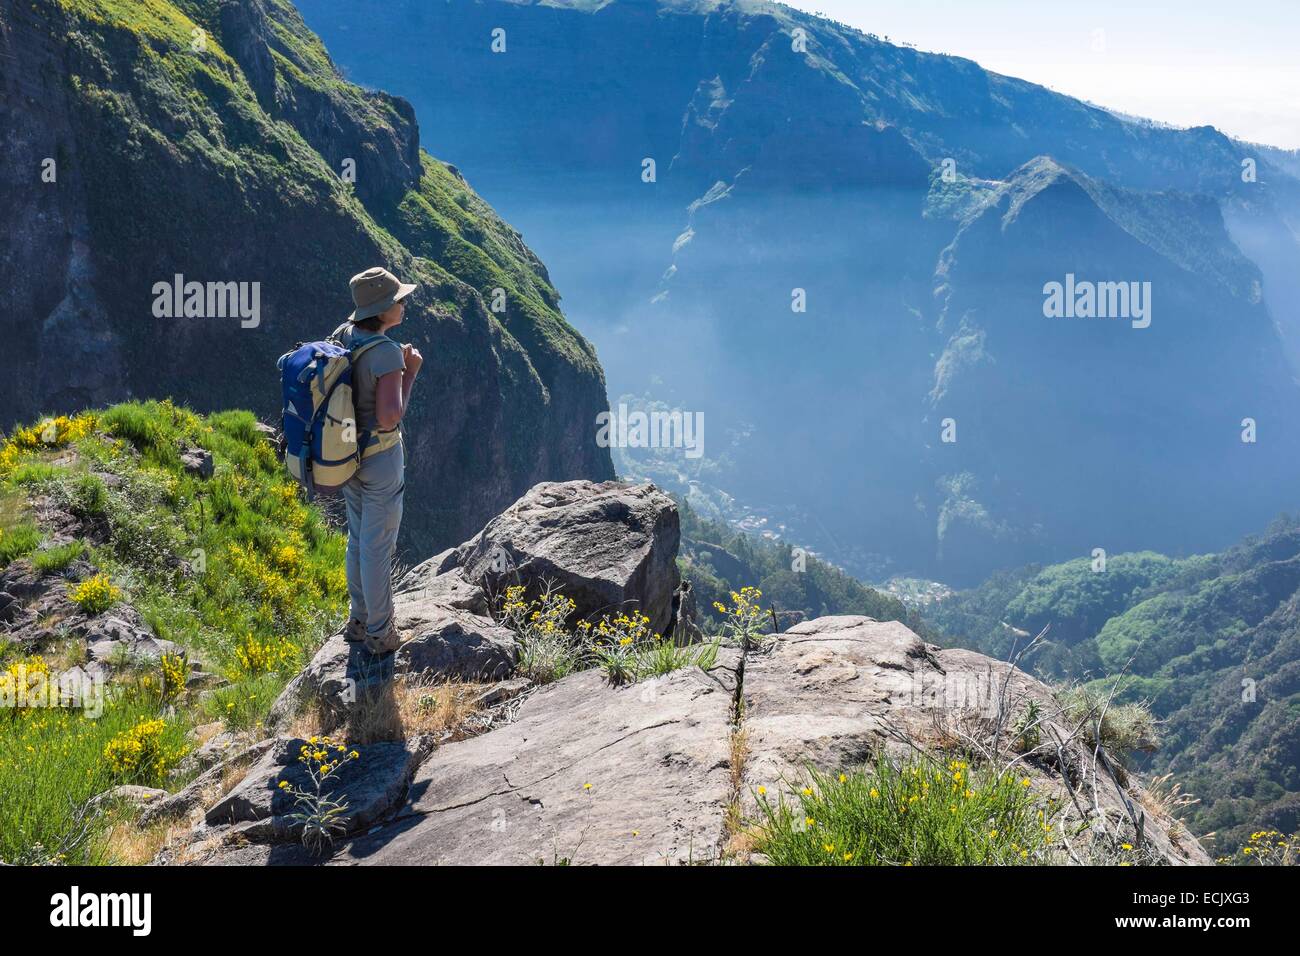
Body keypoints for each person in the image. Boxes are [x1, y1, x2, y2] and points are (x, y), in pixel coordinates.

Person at [337, 267, 423, 655]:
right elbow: (390, 415)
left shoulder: (344, 336)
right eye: (399, 299)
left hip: (347, 455)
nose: (404, 303)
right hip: (381, 459)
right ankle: (380, 631)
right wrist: (410, 374)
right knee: (378, 547)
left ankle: (358, 619)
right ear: (384, 308)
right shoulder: (387, 353)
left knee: (358, 539)